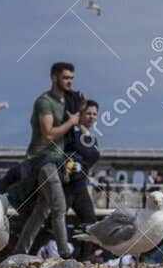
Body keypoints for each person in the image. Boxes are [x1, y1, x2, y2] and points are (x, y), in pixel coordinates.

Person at [11, 62, 81, 257]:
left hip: (56, 162)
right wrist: (71, 122)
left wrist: (78, 115)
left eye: (71, 78)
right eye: (66, 78)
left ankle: (20, 250)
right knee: (59, 206)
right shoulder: (45, 102)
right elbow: (49, 134)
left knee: (42, 210)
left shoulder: (63, 103)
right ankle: (65, 253)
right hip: (42, 160)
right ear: (54, 78)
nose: (69, 82)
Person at [63, 99, 102, 229]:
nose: (92, 116)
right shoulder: (72, 133)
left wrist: (83, 165)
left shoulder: (92, 138)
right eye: (88, 113)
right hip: (66, 187)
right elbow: (64, 153)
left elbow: (91, 159)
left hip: (81, 187)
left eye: (94, 114)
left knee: (91, 225)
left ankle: (84, 250)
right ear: (81, 115)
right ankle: (31, 249)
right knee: (53, 224)